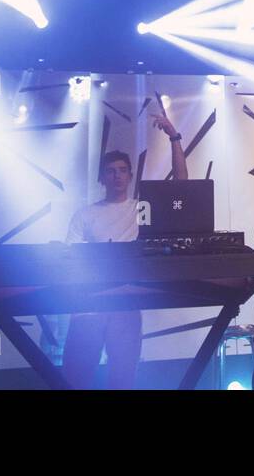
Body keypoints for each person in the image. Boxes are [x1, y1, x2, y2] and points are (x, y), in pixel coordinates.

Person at [61, 104, 188, 388]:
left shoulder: (140, 209)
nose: (117, 176)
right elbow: (70, 257)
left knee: (123, 378)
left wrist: (174, 137)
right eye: (110, 171)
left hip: (126, 305)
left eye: (122, 171)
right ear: (102, 177)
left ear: (130, 175)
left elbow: (183, 190)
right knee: (75, 378)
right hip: (88, 305)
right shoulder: (85, 214)